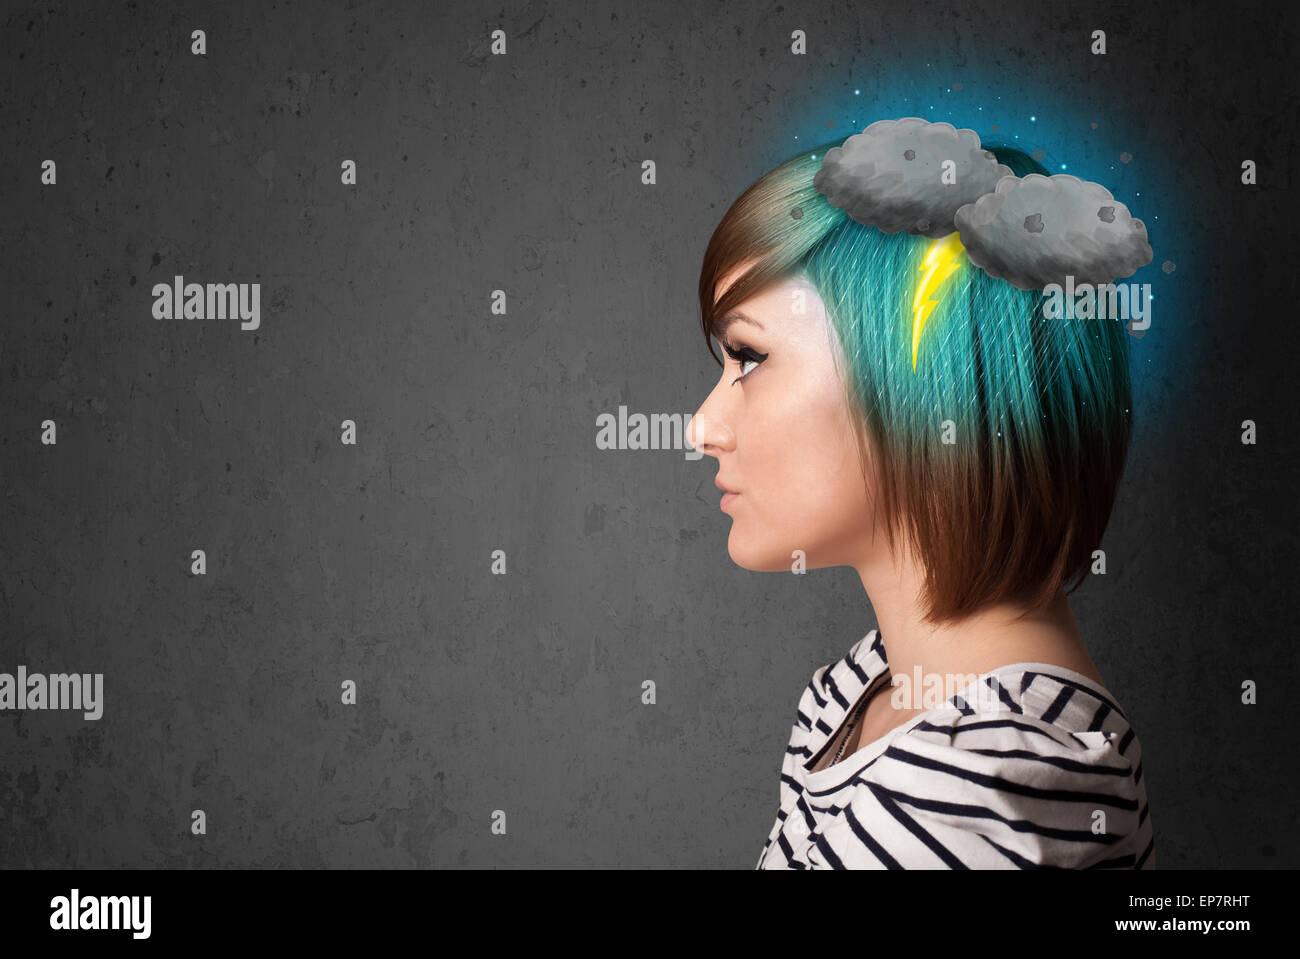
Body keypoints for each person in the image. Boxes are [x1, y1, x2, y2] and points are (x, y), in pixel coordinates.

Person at [689, 132, 1154, 869]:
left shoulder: (977, 797)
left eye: (749, 357)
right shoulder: (855, 690)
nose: (702, 427)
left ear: (919, 380)